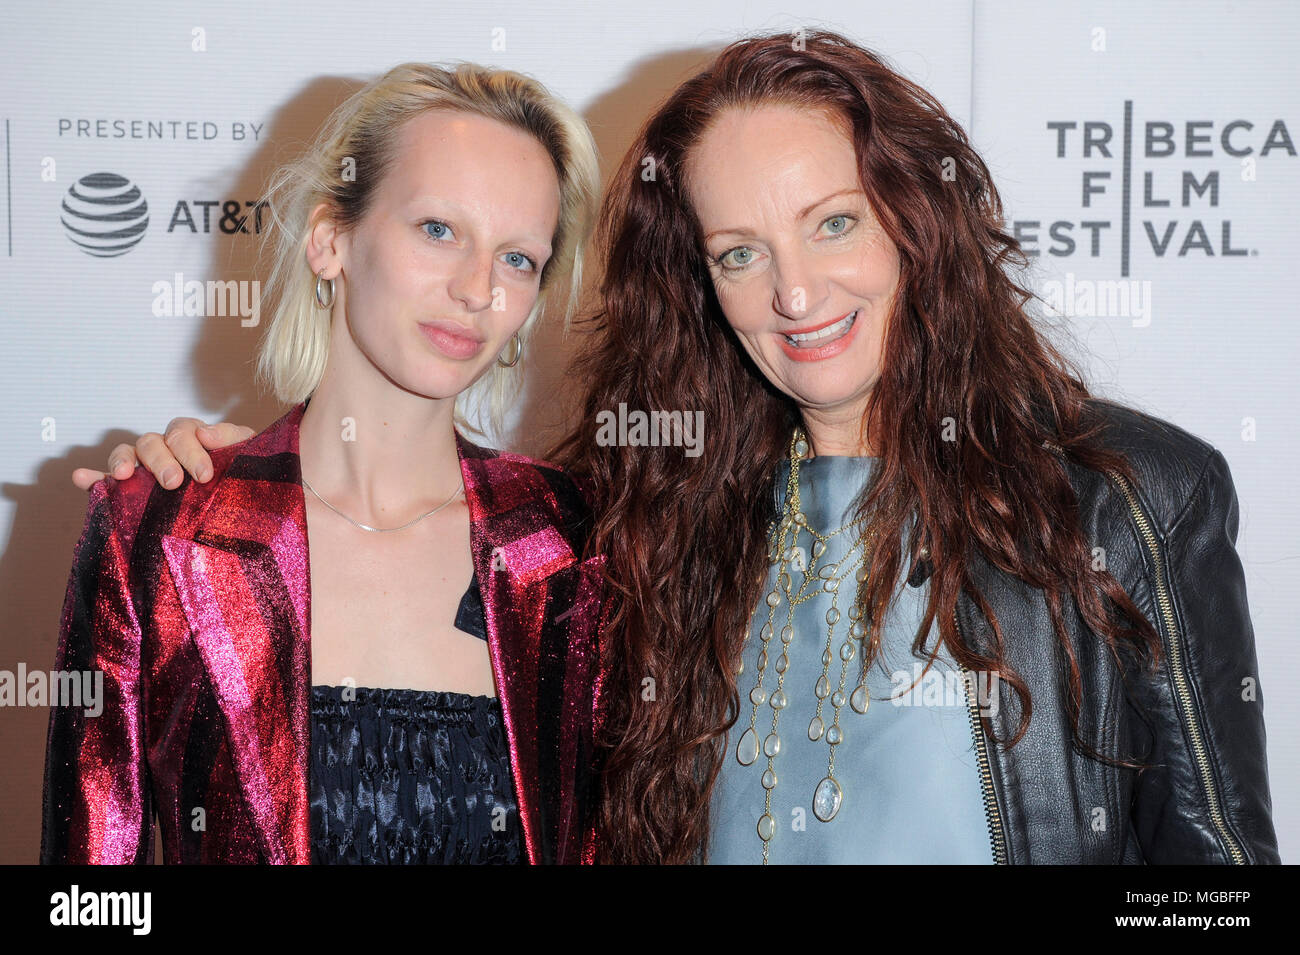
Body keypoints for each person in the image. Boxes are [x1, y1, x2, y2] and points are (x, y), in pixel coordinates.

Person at [83, 32, 1280, 865]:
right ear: (699, 281)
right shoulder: (645, 527)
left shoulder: (1121, 498)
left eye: (833, 222)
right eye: (738, 251)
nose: (795, 288)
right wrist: (212, 484)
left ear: (915, 220)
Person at [44, 61, 604, 865]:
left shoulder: (573, 543)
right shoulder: (164, 524)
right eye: (438, 230)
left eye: (519, 258)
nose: (479, 287)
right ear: (330, 239)